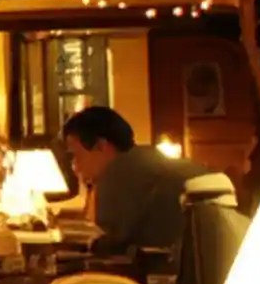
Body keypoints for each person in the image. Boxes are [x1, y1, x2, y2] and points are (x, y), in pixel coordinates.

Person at [63, 106, 209, 253]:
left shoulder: (118, 175)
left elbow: (108, 249)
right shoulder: (153, 162)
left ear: (101, 146)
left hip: (163, 270)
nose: (75, 167)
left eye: (76, 156)